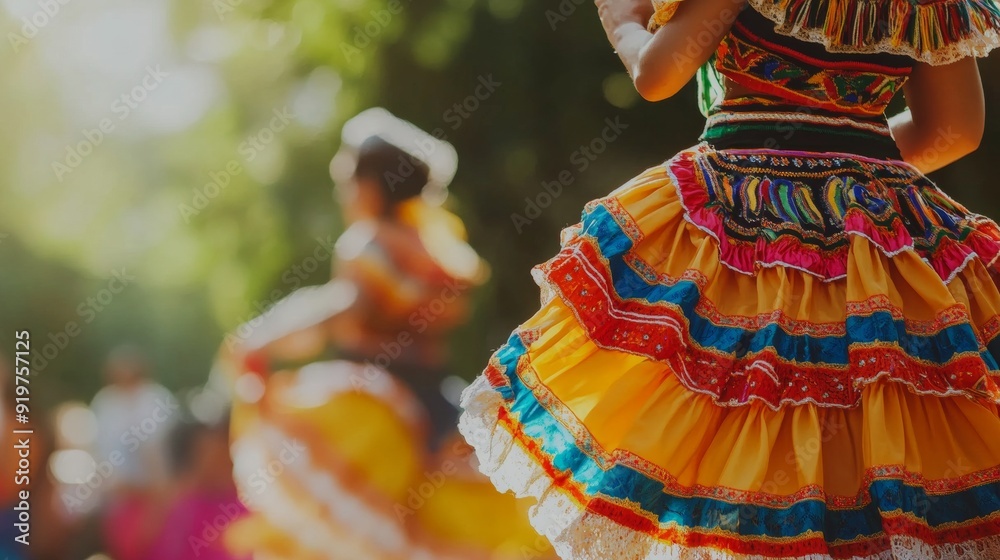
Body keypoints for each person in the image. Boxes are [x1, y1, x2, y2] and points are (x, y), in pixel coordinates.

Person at [458, 0, 1000, 558]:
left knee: (742, 452)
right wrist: (845, 164)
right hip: (883, 238)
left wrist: (620, 17)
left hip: (743, 223)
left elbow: (657, 75)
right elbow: (954, 130)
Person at [220, 108, 552, 559]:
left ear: (371, 187)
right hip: (436, 398)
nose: (345, 196)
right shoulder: (438, 248)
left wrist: (261, 340)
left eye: (347, 184)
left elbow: (342, 306)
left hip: (374, 402)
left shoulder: (368, 242)